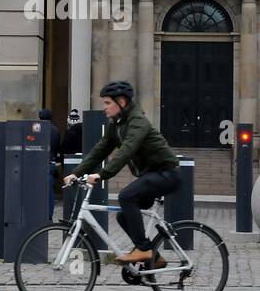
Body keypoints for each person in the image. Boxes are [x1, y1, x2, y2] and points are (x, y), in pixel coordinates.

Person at [63, 80, 180, 266]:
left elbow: (127, 150)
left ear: (122, 102)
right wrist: (77, 173)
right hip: (150, 175)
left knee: (126, 196)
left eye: (108, 103)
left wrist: (102, 174)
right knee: (123, 215)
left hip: (167, 173)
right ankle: (153, 258)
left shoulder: (137, 122)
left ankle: (143, 250)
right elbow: (99, 151)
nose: (104, 108)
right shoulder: (116, 125)